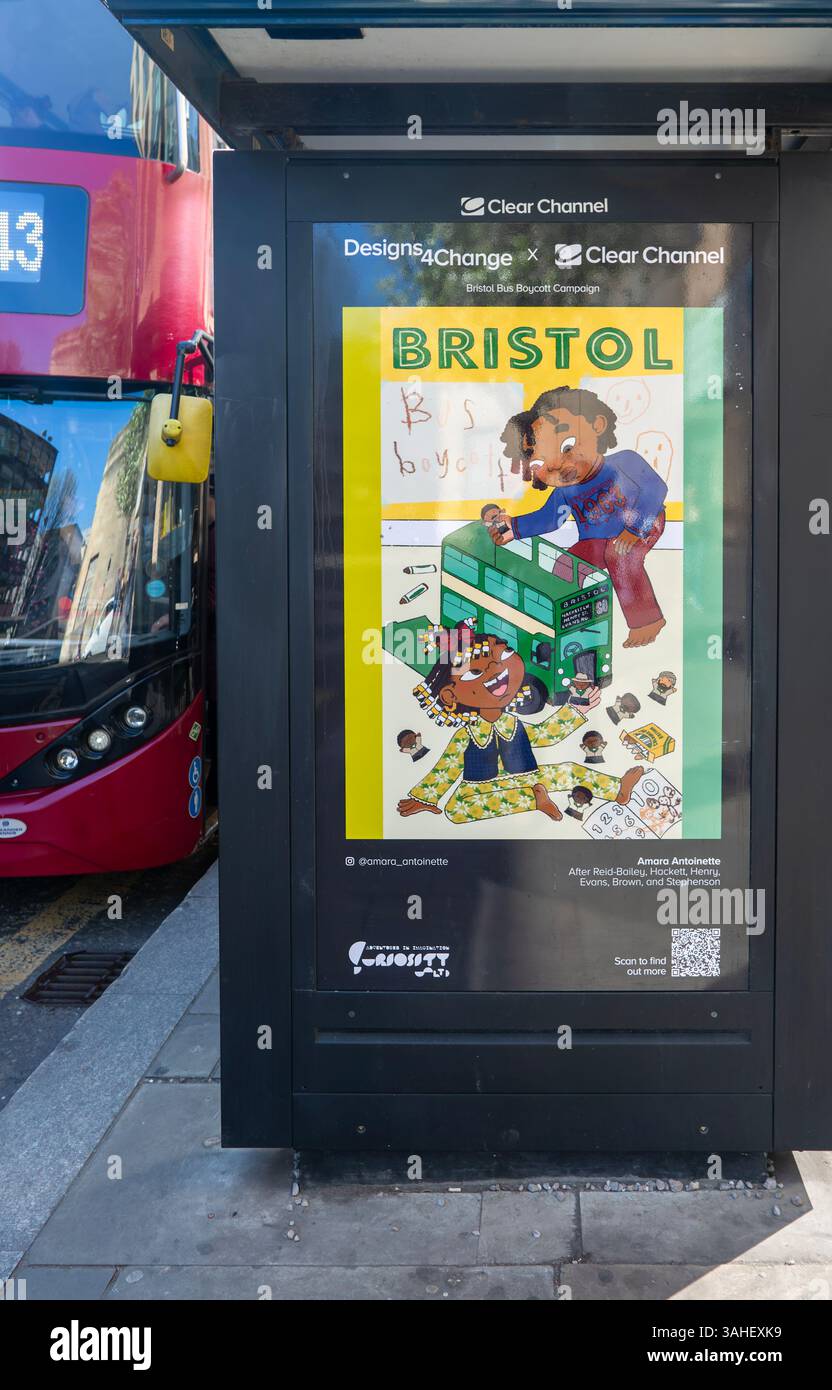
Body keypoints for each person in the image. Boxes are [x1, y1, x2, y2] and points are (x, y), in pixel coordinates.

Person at [396, 629, 643, 825]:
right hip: (482, 788)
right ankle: (535, 802)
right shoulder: (467, 734)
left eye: (501, 657)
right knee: (455, 810)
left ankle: (618, 790)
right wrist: (425, 798)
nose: (496, 669)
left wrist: (578, 709)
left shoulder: (512, 722)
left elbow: (546, 735)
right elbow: (447, 768)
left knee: (570, 769)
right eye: (474, 671)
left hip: (529, 777)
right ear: (450, 696)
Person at [490, 387, 668, 648]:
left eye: (567, 446)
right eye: (541, 463)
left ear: (596, 426)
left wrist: (635, 528)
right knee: (565, 566)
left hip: (645, 522)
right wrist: (513, 527)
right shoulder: (565, 492)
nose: (558, 465)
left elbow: (655, 489)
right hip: (598, 539)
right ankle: (574, 626)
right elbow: (549, 519)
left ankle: (647, 621)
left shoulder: (623, 462)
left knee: (619, 555)